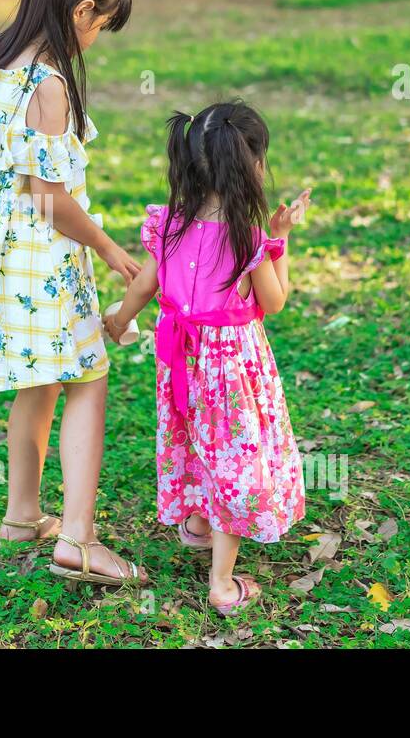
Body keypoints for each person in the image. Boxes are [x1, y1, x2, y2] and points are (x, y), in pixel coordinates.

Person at [0, 0, 145, 587]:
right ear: (83, 11)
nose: (95, 41)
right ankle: (79, 541)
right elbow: (52, 200)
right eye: (101, 25)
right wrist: (111, 249)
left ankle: (22, 516)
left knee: (42, 379)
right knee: (87, 376)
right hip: (38, 264)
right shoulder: (48, 85)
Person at [104, 102, 311, 613]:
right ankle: (222, 583)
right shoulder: (248, 239)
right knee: (233, 458)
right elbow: (274, 303)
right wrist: (280, 240)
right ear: (250, 166)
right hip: (232, 372)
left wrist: (116, 320)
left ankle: (198, 524)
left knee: (194, 440)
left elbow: (145, 287)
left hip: (182, 361)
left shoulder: (169, 223)